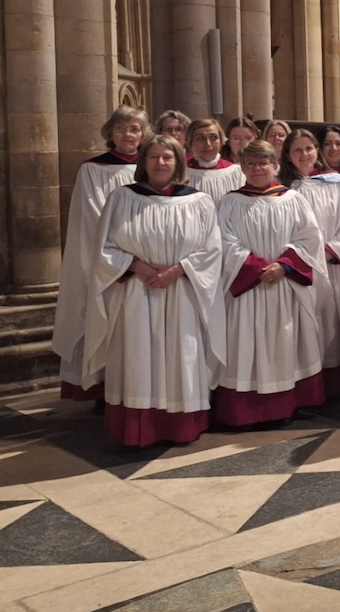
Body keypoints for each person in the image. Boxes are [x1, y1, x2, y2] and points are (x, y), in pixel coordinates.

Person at [83, 135, 224, 446]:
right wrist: (135, 266)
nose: (161, 163)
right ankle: (138, 428)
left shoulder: (198, 201)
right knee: (137, 357)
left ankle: (181, 426)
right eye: (154, 157)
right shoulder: (122, 199)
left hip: (182, 294)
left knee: (181, 356)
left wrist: (178, 269)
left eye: (168, 157)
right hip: (135, 293)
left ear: (178, 162)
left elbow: (212, 250)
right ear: (143, 163)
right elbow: (103, 248)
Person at [216, 141, 327, 426]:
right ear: (242, 167)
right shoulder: (230, 201)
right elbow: (221, 242)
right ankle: (247, 412)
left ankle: (284, 407)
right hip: (248, 290)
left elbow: (310, 238)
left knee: (285, 344)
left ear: (275, 165)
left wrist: (285, 264)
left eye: (263, 162)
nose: (257, 169)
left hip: (283, 286)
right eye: (251, 163)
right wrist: (254, 266)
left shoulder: (292, 198)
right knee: (245, 346)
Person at [54, 106, 151, 401]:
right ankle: (104, 386)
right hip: (111, 263)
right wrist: (127, 254)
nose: (128, 134)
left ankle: (139, 385)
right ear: (110, 133)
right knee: (107, 322)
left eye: (134, 128)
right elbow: (94, 216)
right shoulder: (93, 169)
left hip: (148, 261)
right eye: (121, 129)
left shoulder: (153, 166)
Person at [282, 127, 340, 395]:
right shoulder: (282, 188)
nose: (304, 154)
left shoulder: (335, 183)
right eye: (297, 149)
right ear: (288, 155)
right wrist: (301, 259)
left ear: (316, 151)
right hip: (297, 269)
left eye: (309, 148)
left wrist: (327, 253)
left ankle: (339, 385)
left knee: (333, 322)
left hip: (331, 264)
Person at [185, 118, 245, 204]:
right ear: (190, 143)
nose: (208, 144)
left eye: (213, 137)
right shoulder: (182, 173)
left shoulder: (236, 173)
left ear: (221, 141)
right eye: (200, 138)